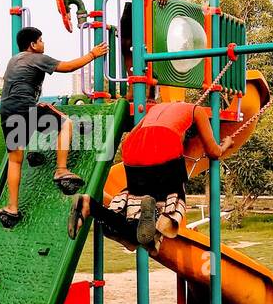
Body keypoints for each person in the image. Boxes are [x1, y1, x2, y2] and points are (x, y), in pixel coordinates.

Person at [69, 101, 231, 247]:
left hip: (132, 150)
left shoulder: (156, 108)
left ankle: (90, 206)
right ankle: (153, 215)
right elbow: (213, 152)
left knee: (135, 228)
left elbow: (134, 132)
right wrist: (226, 145)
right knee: (176, 197)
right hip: (165, 145)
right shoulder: (197, 110)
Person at [0, 26, 108, 228]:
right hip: (25, 109)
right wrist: (93, 54)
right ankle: (61, 170)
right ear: (33, 45)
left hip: (8, 112)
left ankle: (12, 207)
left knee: (15, 160)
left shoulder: (14, 60)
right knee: (65, 123)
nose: (43, 43)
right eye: (41, 40)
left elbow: (17, 88)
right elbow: (68, 67)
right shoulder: (37, 58)